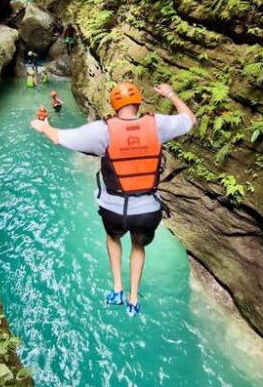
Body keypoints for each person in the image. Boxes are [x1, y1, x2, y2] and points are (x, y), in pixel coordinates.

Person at [31, 81, 195, 316]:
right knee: (138, 245)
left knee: (113, 237)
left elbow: (58, 138)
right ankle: (133, 298)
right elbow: (189, 119)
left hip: (114, 211)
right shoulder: (158, 124)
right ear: (138, 102)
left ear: (113, 105)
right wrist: (171, 93)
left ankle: (117, 288)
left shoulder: (102, 130)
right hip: (147, 211)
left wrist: (43, 126)